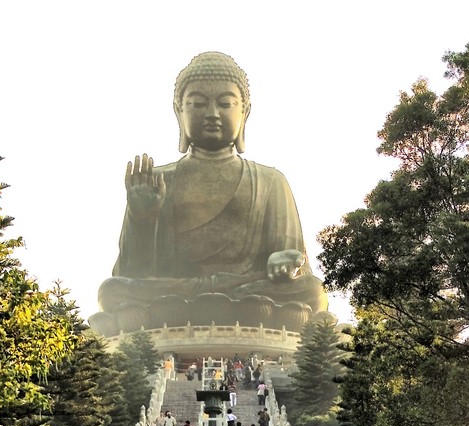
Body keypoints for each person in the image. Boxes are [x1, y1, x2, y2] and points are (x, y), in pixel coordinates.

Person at [96, 52, 328, 321]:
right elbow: (132, 274)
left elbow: (295, 264)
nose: (212, 114)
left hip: (247, 291)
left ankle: (213, 306)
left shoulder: (270, 181)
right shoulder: (157, 180)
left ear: (245, 112)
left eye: (226, 103)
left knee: (312, 292)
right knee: (111, 292)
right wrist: (142, 218)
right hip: (178, 293)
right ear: (178, 111)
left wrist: (286, 261)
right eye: (197, 103)